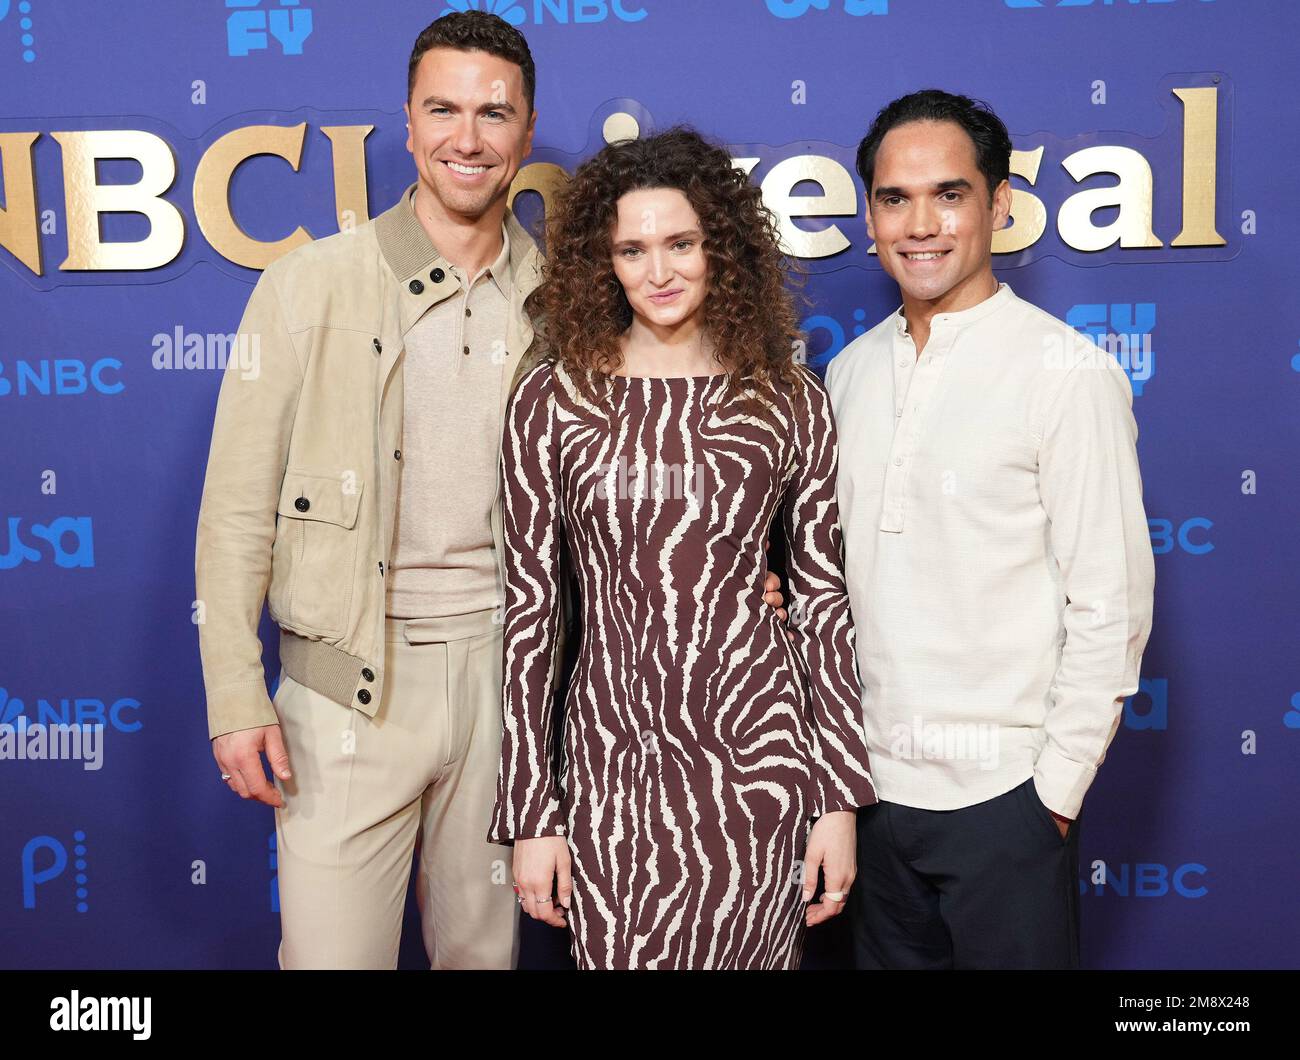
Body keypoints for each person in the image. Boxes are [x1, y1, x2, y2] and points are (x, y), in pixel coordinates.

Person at [195, 11, 786, 971]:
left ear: (526, 126)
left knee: (484, 960)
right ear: (409, 119)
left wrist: (744, 579)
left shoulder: (573, 296)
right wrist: (233, 693)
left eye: (494, 113)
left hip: (514, 682)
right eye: (444, 109)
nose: (468, 137)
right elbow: (234, 508)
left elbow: (654, 460)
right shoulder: (310, 285)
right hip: (347, 686)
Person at [487, 127, 878, 970]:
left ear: (722, 248)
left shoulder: (787, 402)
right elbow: (528, 616)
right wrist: (531, 812)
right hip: (611, 773)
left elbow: (820, 599)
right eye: (633, 249)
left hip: (762, 765)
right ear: (604, 260)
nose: (658, 272)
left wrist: (837, 798)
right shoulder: (552, 404)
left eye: (681, 244)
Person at [827, 90, 1155, 969]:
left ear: (999, 204)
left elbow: (1110, 601)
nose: (920, 224)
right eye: (895, 198)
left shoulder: (1066, 373)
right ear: (869, 215)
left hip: (1006, 803)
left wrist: (1052, 794)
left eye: (950, 194)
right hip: (870, 802)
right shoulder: (848, 374)